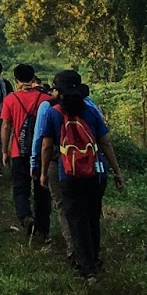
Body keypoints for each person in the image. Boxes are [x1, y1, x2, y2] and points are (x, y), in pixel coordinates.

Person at [39, 69, 125, 278]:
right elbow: (105, 143)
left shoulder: (53, 113)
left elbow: (46, 146)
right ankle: (95, 259)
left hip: (69, 174)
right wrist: (117, 172)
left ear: (59, 92)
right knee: (92, 217)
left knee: (76, 221)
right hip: (96, 173)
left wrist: (42, 172)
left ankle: (88, 269)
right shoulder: (91, 111)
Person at [0, 64, 51, 241]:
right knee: (42, 190)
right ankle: (43, 231)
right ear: (33, 77)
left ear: (16, 79)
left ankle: (26, 217)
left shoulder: (11, 99)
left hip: (18, 151)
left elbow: (6, 125)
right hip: (42, 152)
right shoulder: (45, 99)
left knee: (20, 189)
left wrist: (4, 151)